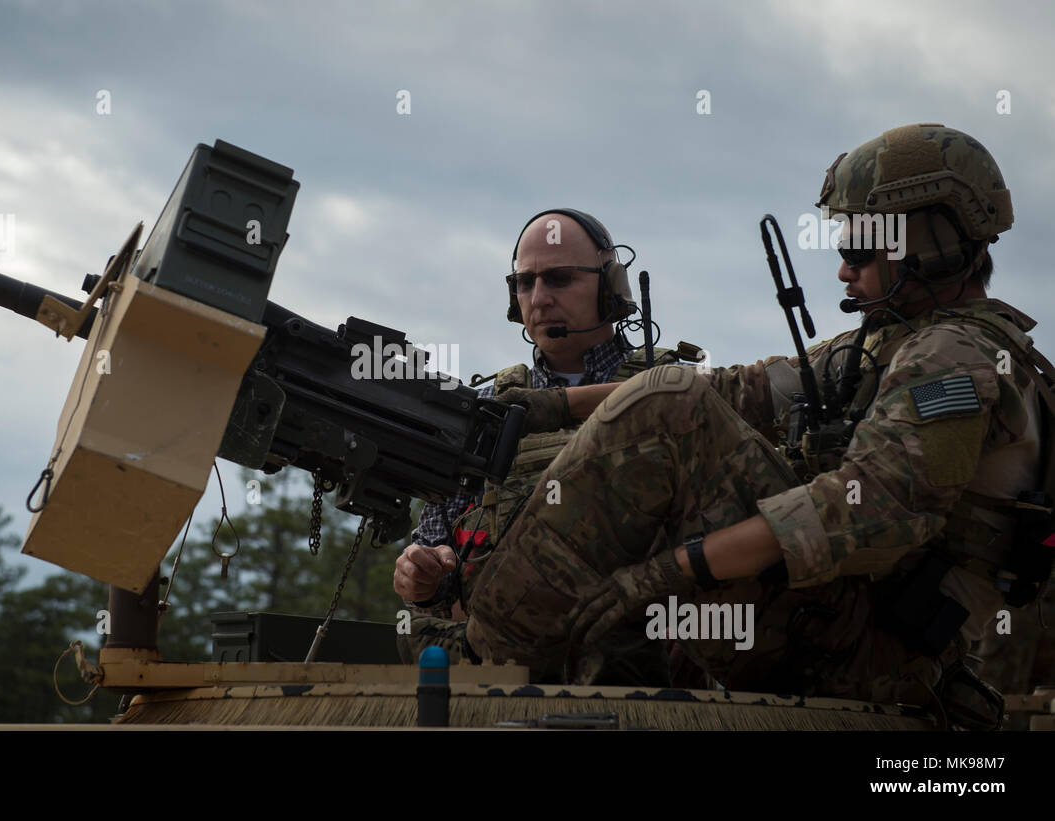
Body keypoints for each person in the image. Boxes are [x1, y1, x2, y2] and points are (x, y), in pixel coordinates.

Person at [463, 124, 1053, 725]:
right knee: (669, 396)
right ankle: (502, 647)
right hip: (839, 625)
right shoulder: (894, 343)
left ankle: (485, 654)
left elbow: (875, 509)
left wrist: (674, 569)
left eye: (859, 251)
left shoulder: (954, 356)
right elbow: (735, 389)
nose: (844, 270)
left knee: (668, 405)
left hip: (872, 651)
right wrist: (549, 409)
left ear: (928, 243)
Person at [393, 209, 701, 684]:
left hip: (647, 686)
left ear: (607, 287)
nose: (539, 298)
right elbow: (435, 549)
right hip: (510, 682)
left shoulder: (671, 393)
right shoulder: (485, 409)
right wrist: (425, 573)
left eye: (559, 279)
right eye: (524, 282)